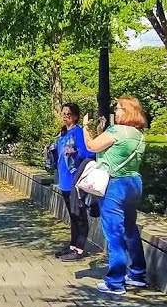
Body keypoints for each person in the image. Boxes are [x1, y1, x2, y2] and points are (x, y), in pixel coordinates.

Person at [82, 96, 147, 295]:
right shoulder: (139, 135)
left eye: (118, 109)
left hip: (114, 185)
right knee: (130, 230)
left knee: (114, 233)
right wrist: (102, 130)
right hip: (134, 183)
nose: (115, 112)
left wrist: (85, 127)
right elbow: (112, 150)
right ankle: (137, 274)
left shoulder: (117, 131)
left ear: (127, 112)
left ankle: (115, 282)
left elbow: (92, 147)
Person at [53, 103, 95, 261]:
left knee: (80, 216)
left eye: (68, 114)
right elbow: (59, 154)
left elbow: (88, 153)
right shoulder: (63, 133)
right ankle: (72, 246)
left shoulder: (78, 132)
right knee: (72, 215)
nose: (65, 117)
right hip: (64, 181)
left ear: (76, 116)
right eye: (63, 114)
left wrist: (75, 152)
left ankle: (79, 249)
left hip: (75, 181)